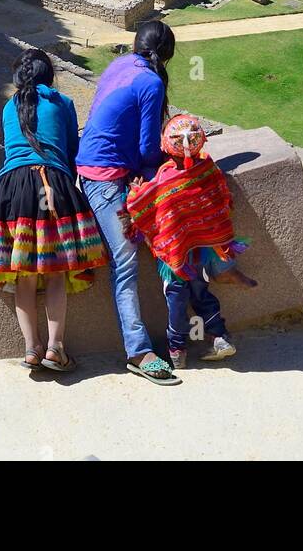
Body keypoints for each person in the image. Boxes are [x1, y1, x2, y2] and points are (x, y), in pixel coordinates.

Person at [0, 48, 106, 372]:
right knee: (57, 272)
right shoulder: (62, 103)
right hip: (54, 186)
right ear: (49, 76)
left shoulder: (8, 106)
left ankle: (31, 349)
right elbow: (72, 152)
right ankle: (55, 348)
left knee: (25, 277)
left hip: (13, 191)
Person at [76, 20, 181, 385]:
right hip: (104, 179)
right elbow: (147, 147)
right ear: (166, 55)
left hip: (94, 166)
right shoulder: (151, 82)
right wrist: (157, 167)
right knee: (125, 261)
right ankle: (138, 350)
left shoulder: (119, 65)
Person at [125, 113, 254, 369]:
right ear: (200, 141)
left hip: (175, 256)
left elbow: (141, 206)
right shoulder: (207, 168)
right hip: (204, 250)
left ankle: (177, 350)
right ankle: (219, 336)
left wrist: (135, 190)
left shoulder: (164, 179)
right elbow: (222, 200)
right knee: (201, 293)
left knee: (176, 298)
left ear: (165, 144)